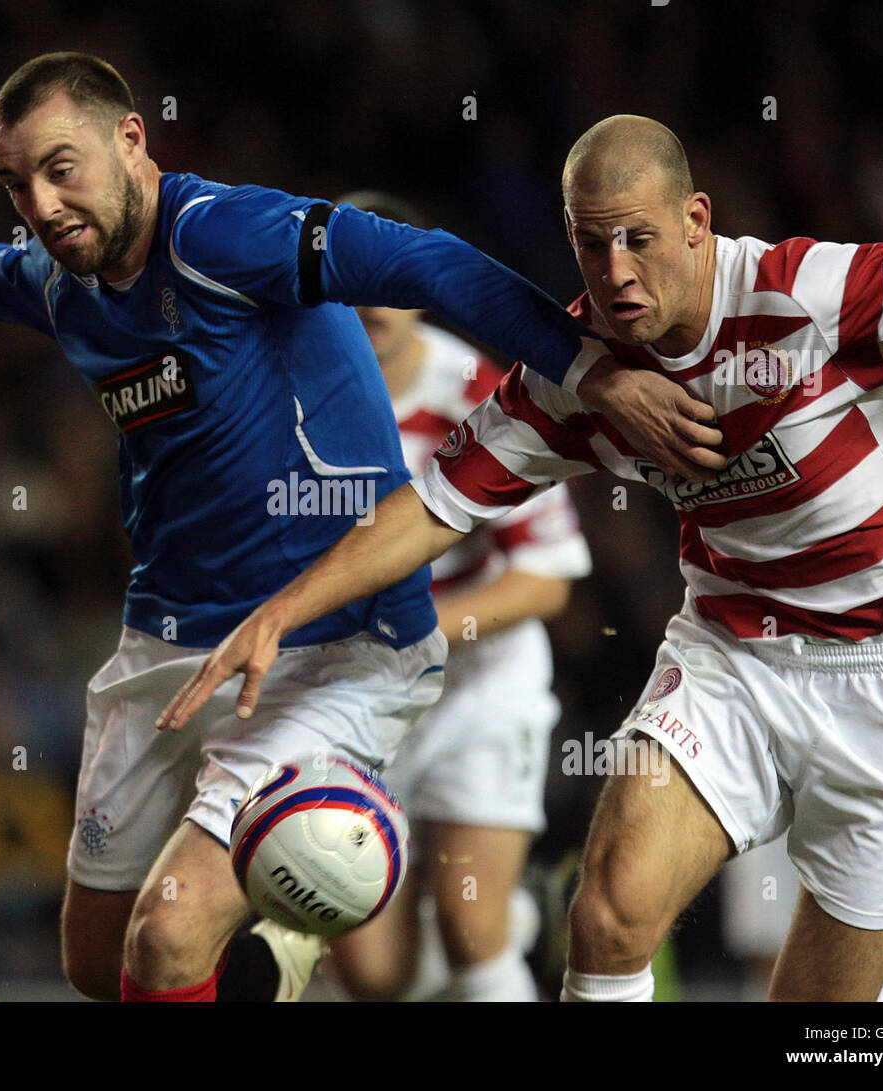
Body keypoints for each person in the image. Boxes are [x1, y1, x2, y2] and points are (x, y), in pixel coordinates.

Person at [0, 54, 720, 1003]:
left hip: (334, 644)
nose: (40, 205)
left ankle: (289, 902)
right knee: (101, 964)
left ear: (131, 138)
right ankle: (279, 943)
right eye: (16, 184)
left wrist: (588, 370)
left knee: (169, 933)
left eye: (59, 167)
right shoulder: (56, 279)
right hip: (166, 639)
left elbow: (425, 262)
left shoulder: (226, 234)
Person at [161, 114, 883, 1002]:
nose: (616, 271)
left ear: (697, 219)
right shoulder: (573, 375)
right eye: (591, 244)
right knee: (608, 912)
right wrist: (281, 611)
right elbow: (430, 509)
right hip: (734, 656)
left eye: (639, 238)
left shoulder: (809, 294)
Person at [323, 191, 591, 1002]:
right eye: (344, 279)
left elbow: (546, 580)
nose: (368, 300)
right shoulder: (292, 396)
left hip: (480, 683)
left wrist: (419, 624)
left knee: (471, 929)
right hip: (357, 689)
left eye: (385, 281)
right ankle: (528, 918)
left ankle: (500, 927)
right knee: (375, 976)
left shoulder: (480, 389)